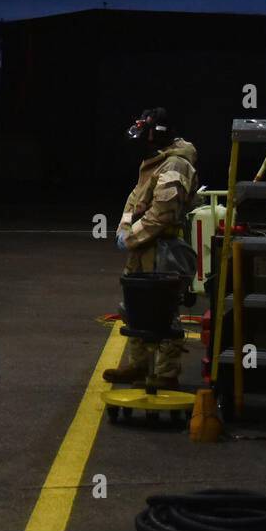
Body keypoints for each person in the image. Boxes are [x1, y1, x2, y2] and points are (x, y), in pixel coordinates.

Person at [103, 108, 200, 388]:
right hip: (144, 247)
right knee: (134, 305)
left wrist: (130, 237)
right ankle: (139, 365)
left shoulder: (175, 165)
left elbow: (163, 214)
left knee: (163, 310)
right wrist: (125, 230)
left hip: (163, 248)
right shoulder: (154, 162)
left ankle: (166, 375)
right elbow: (136, 201)